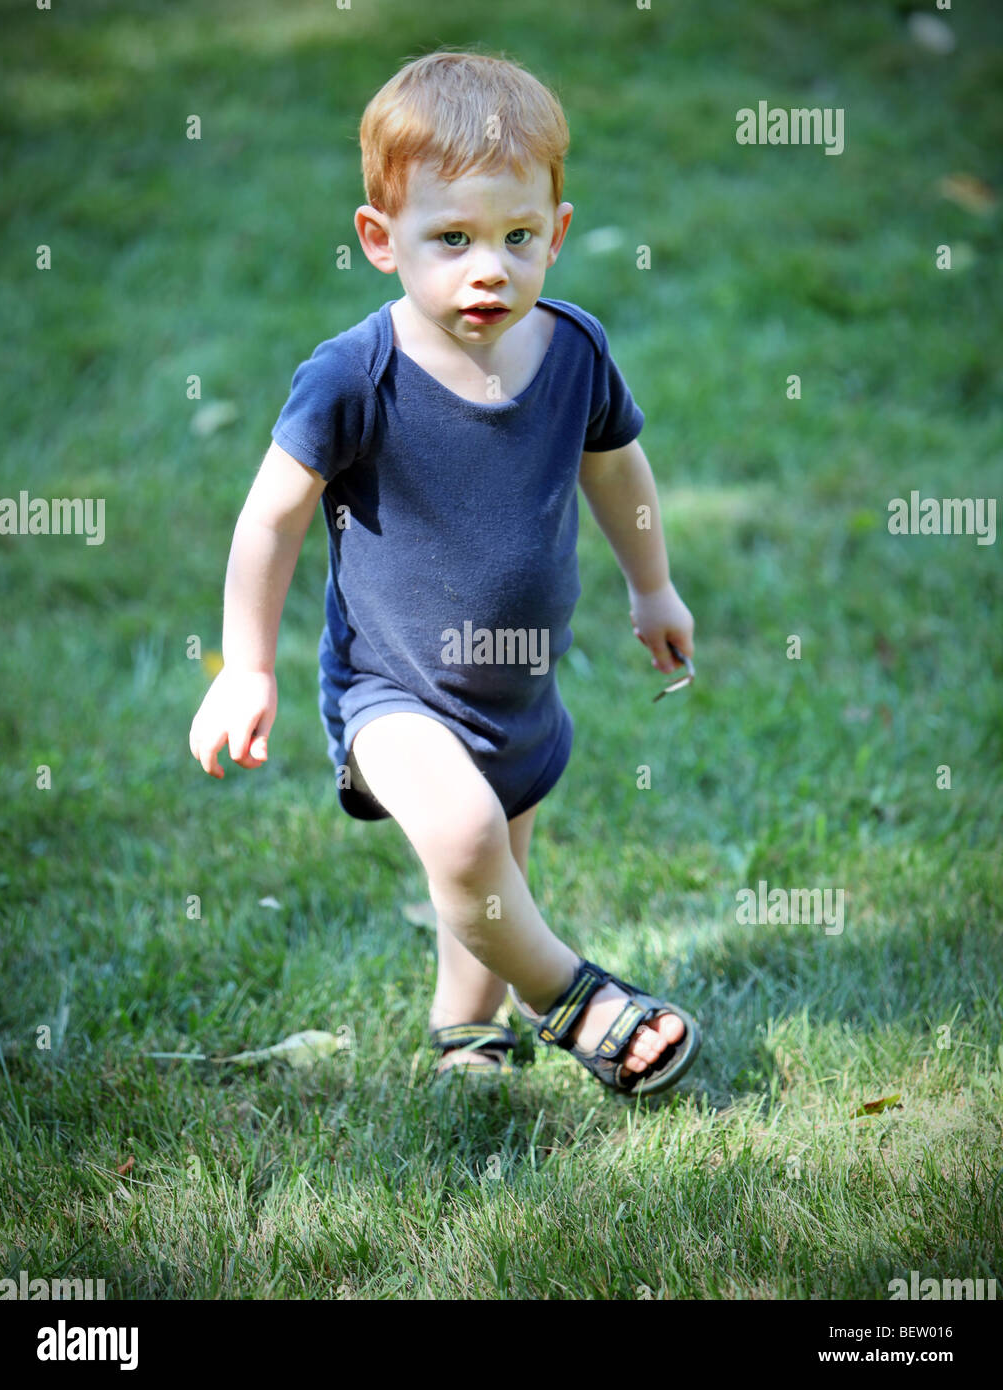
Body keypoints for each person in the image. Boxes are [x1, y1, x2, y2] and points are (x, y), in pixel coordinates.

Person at [189, 49, 701, 1096]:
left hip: (517, 687)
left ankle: (464, 1029)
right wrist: (245, 666)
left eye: (518, 239)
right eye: (452, 239)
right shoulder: (352, 375)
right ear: (380, 241)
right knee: (463, 835)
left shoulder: (572, 353)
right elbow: (269, 516)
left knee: (487, 874)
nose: (489, 269)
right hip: (390, 690)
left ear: (557, 233)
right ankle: (578, 1001)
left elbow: (617, 470)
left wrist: (650, 584)